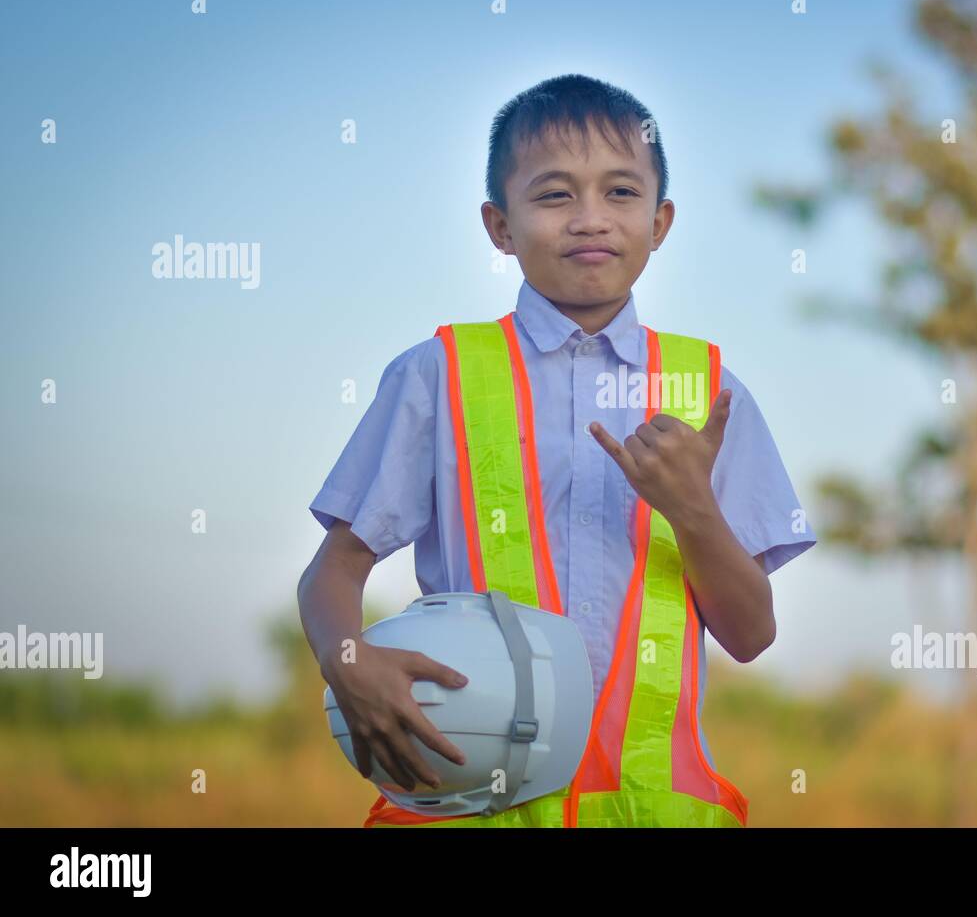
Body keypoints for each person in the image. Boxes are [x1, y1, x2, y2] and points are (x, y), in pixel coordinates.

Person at [297, 73, 817, 827]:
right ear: (500, 226)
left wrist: (694, 509)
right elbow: (332, 573)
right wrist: (351, 667)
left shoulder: (710, 391)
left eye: (620, 193)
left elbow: (751, 634)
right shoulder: (438, 375)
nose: (589, 220)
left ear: (660, 221)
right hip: (470, 808)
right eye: (553, 196)